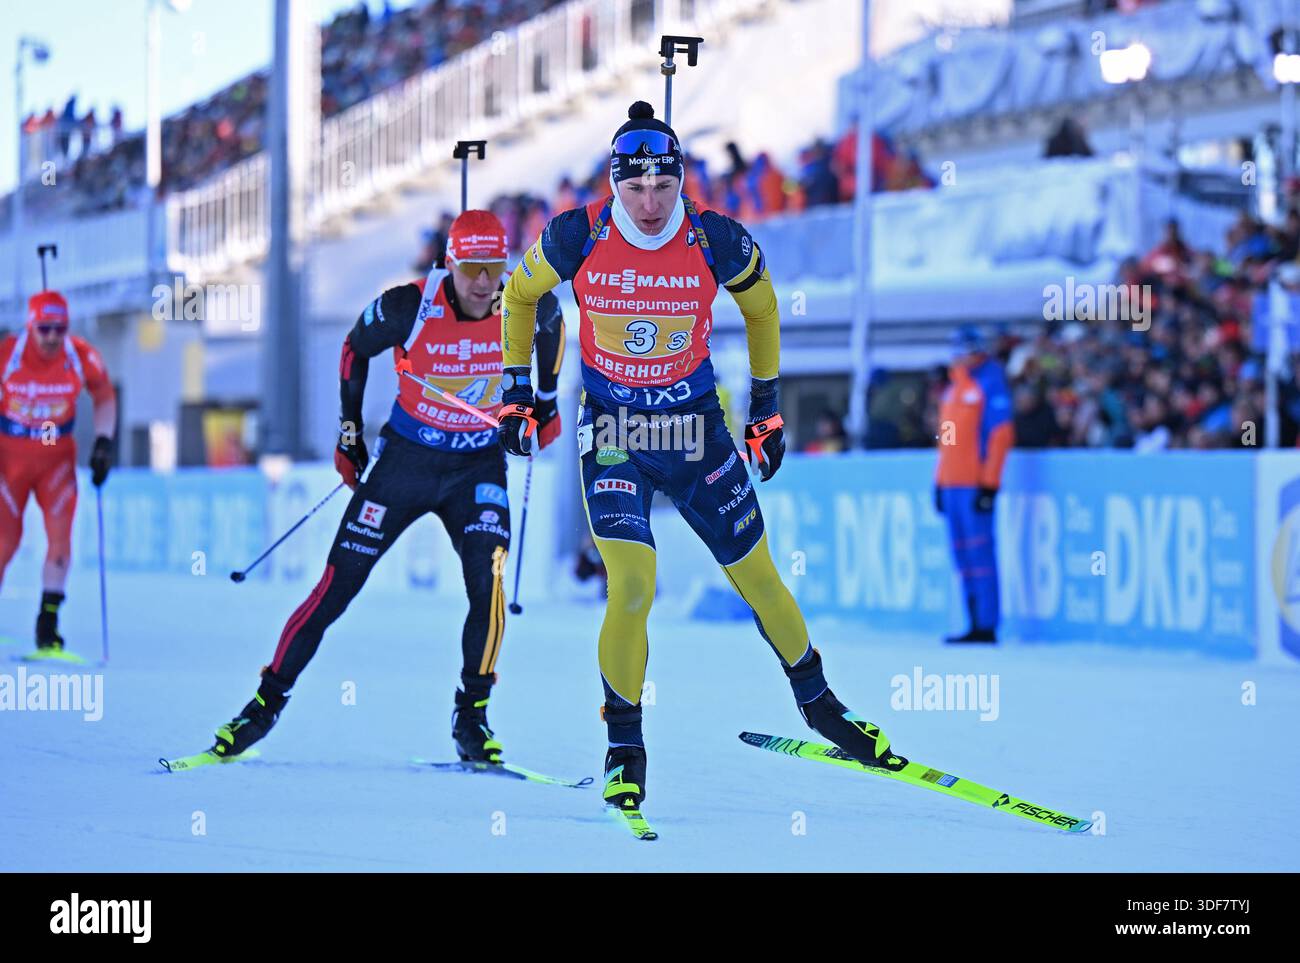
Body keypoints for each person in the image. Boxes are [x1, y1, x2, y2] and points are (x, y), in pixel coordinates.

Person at [498, 101, 907, 816]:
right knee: (632, 585)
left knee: (759, 576)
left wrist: (767, 406)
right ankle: (625, 749)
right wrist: (517, 387)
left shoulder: (713, 237)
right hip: (617, 434)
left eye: (665, 186)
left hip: (695, 432)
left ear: (681, 177)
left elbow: (763, 308)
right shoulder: (579, 233)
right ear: (615, 183)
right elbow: (520, 293)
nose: (651, 204)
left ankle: (820, 704)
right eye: (636, 189)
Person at [204, 210, 566, 763]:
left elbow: (552, 323)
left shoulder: (523, 303)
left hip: (476, 468)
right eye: (470, 268)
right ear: (450, 264)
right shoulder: (409, 305)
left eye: (493, 268)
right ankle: (263, 704)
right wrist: (349, 434)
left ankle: (472, 718)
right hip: (406, 462)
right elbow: (353, 347)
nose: (482, 282)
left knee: (488, 587)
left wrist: (545, 402)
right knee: (335, 588)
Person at [0, 289, 116, 660]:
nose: (52, 337)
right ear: (30, 326)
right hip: (9, 457)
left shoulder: (80, 355)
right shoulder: (8, 354)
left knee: (61, 540)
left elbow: (104, 396)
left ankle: (47, 625)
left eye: (60, 329)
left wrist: (103, 444)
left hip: (56, 457)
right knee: (5, 542)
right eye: (45, 328)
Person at [934, 326, 1013, 644]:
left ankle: (987, 624)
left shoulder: (989, 382)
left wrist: (990, 484)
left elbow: (1000, 435)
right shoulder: (953, 388)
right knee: (962, 555)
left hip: (974, 484)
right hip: (953, 484)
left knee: (981, 555)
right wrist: (940, 482)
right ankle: (973, 622)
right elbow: (947, 443)